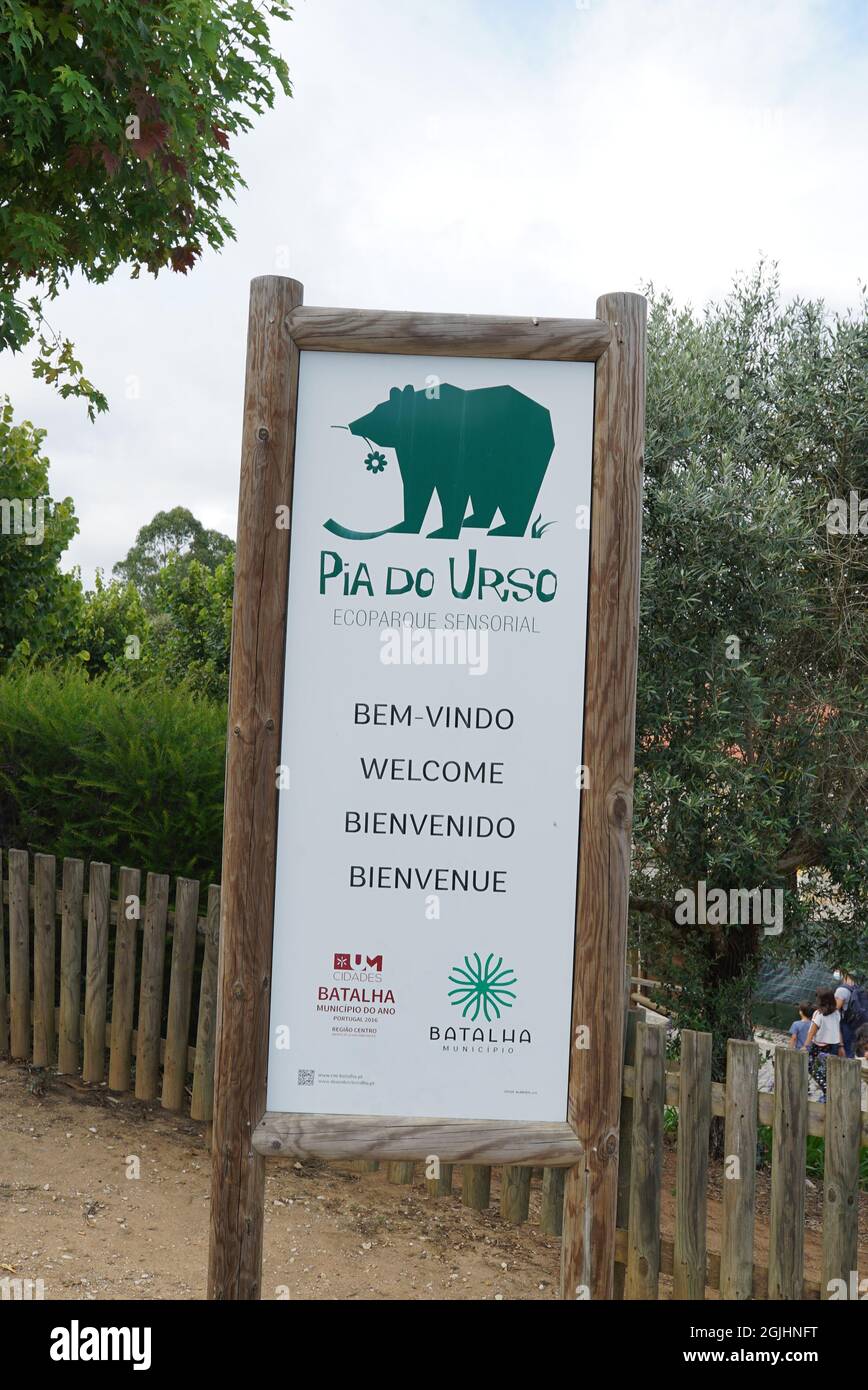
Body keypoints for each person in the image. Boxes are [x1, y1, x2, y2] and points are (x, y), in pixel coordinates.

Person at [805, 988, 844, 1100]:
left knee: (811, 1067)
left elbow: (812, 1032)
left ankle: (827, 1091)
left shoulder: (819, 1014)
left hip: (818, 1046)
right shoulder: (836, 1013)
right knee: (827, 1070)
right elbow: (838, 1029)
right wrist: (841, 1045)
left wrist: (805, 1046)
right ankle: (829, 1091)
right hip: (833, 1046)